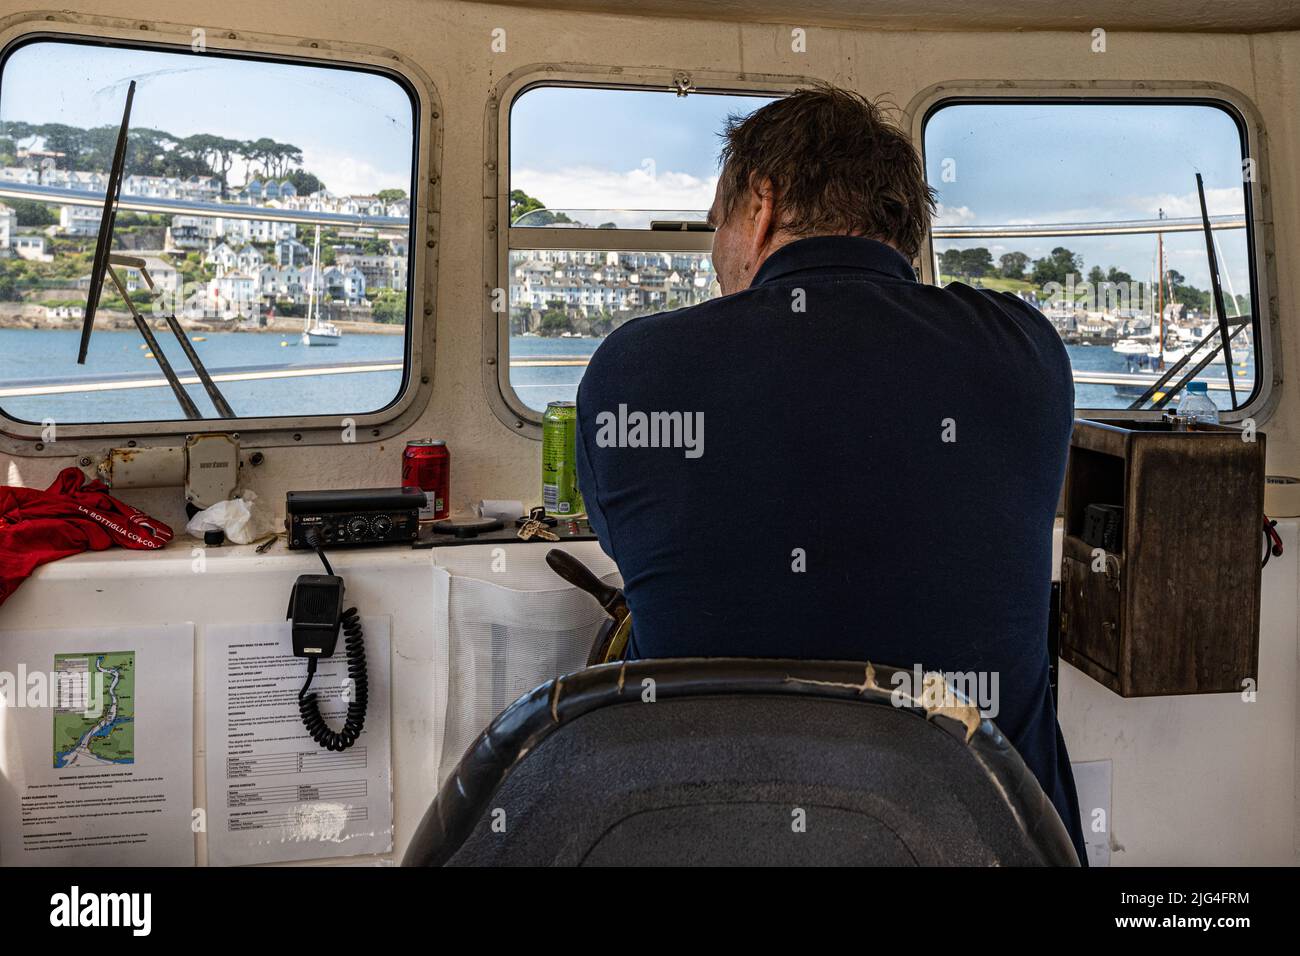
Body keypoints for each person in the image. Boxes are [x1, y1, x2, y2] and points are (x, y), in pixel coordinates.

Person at [575, 84, 1086, 861]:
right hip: (987, 841)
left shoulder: (634, 368)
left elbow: (635, 548)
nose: (718, 257)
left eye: (717, 225)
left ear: (762, 204)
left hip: (707, 838)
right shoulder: (1025, 352)